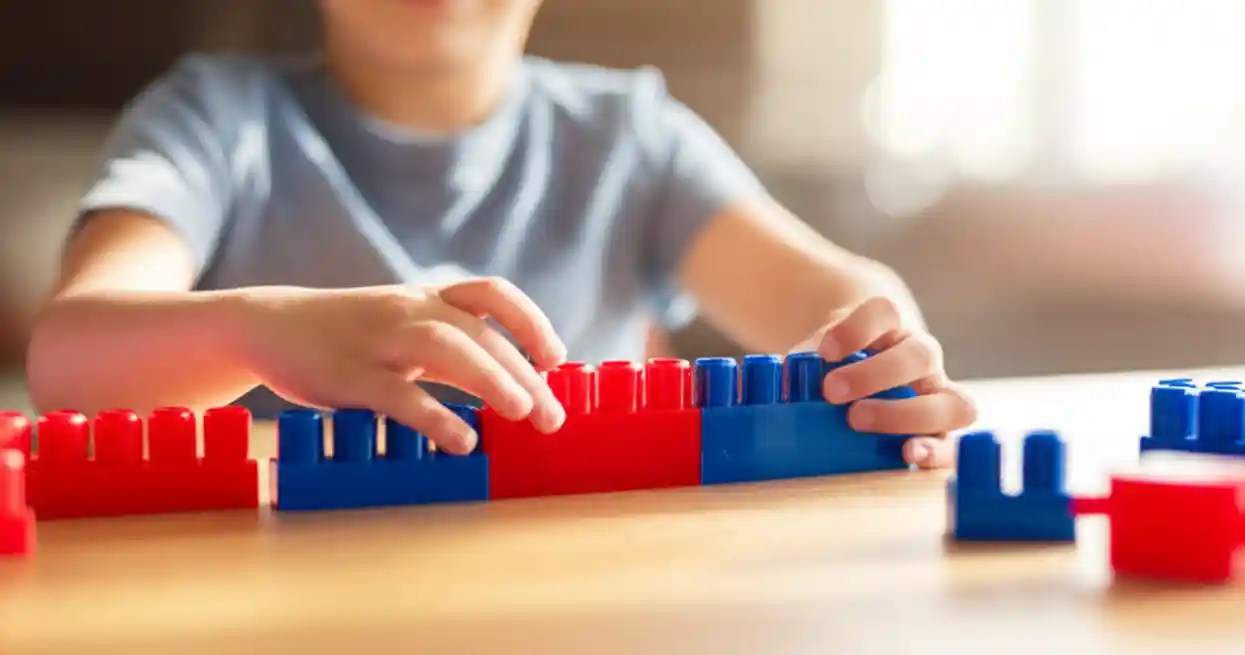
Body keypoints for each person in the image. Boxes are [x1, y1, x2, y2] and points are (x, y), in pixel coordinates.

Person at [27, 0, 975, 467]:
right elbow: (70, 356)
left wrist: (881, 344)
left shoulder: (628, 137)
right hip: (284, 603)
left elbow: (837, 297)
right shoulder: (216, 115)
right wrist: (257, 329)